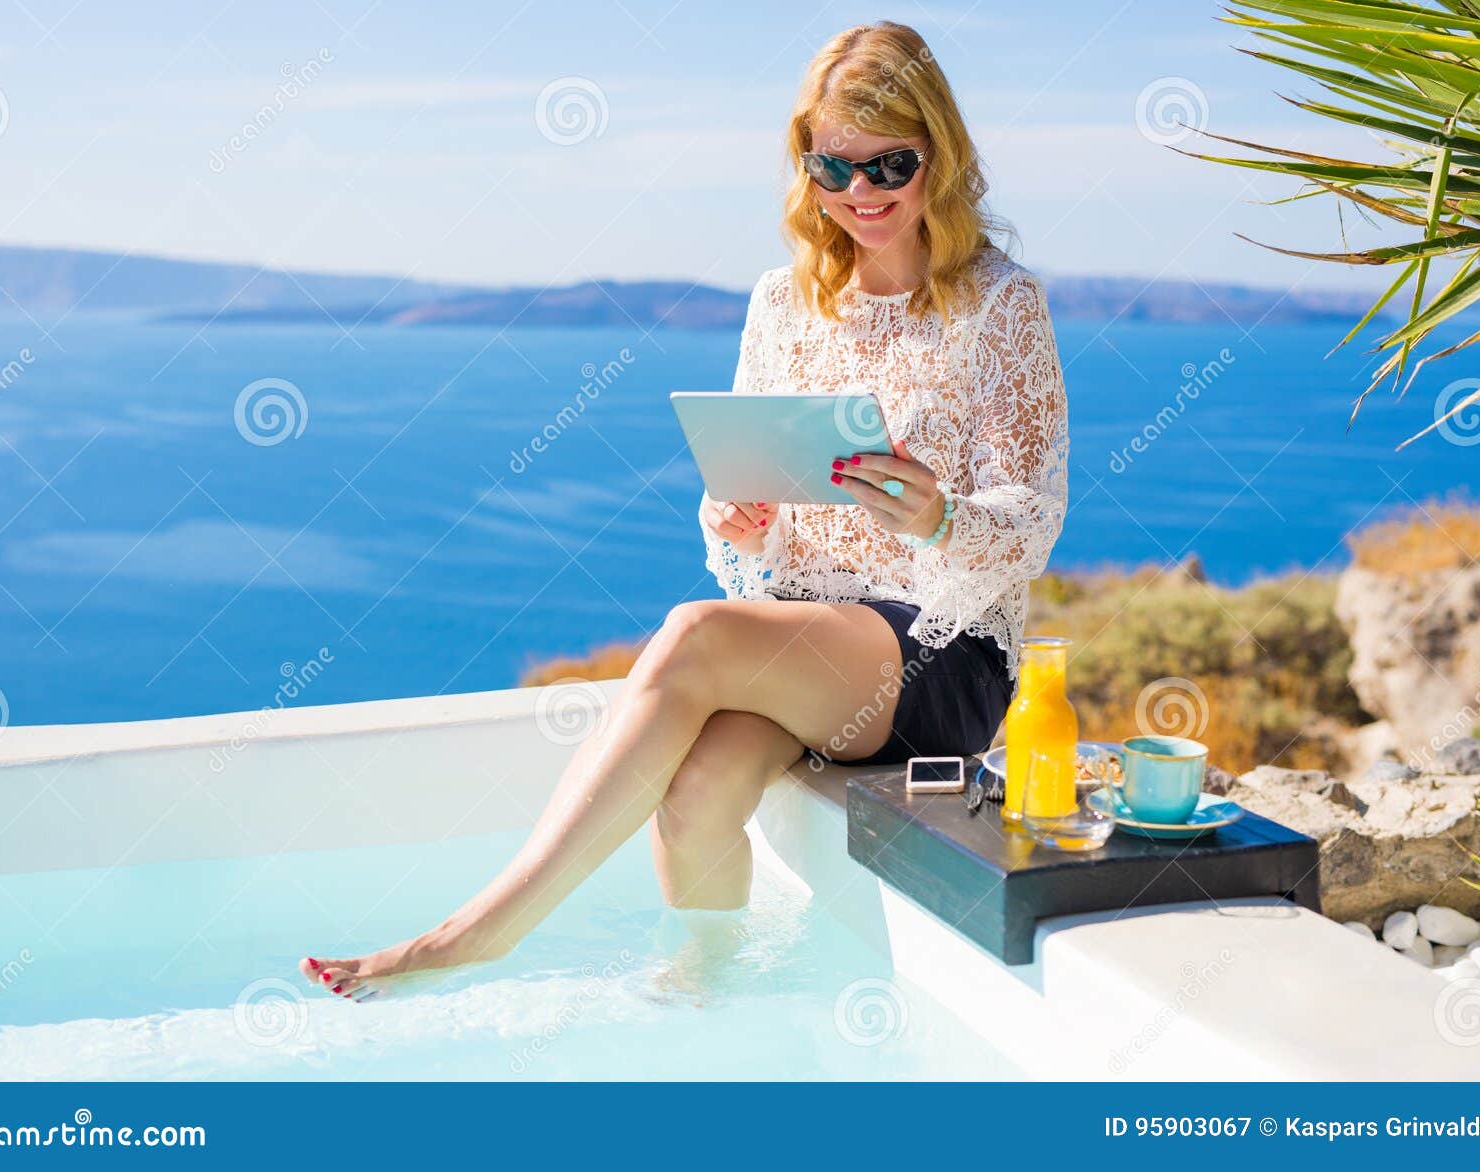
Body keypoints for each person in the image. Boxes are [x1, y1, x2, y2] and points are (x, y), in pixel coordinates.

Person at [301, 20, 1067, 1001]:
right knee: (697, 790)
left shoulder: (999, 304)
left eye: (890, 164)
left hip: (937, 654)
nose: (860, 194)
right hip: (804, 640)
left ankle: (477, 929)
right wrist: (740, 520)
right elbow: (746, 495)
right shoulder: (783, 302)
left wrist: (938, 517)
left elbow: (1031, 517)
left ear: (939, 154)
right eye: (833, 167)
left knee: (694, 630)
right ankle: (705, 990)